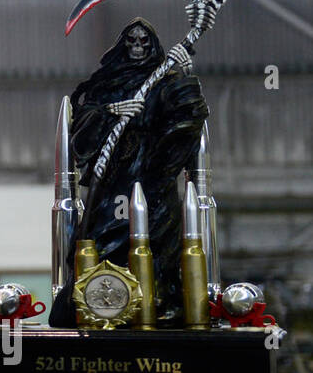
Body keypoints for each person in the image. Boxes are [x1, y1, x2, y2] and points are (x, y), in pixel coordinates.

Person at [50, 18, 208, 327]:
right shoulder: (106, 82)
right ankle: (97, 301)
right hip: (112, 181)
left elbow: (187, 115)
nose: (137, 48)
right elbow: (83, 121)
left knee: (161, 238)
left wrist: (185, 75)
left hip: (152, 176)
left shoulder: (164, 80)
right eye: (131, 41)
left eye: (143, 42)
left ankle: (159, 300)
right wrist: (114, 110)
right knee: (99, 239)